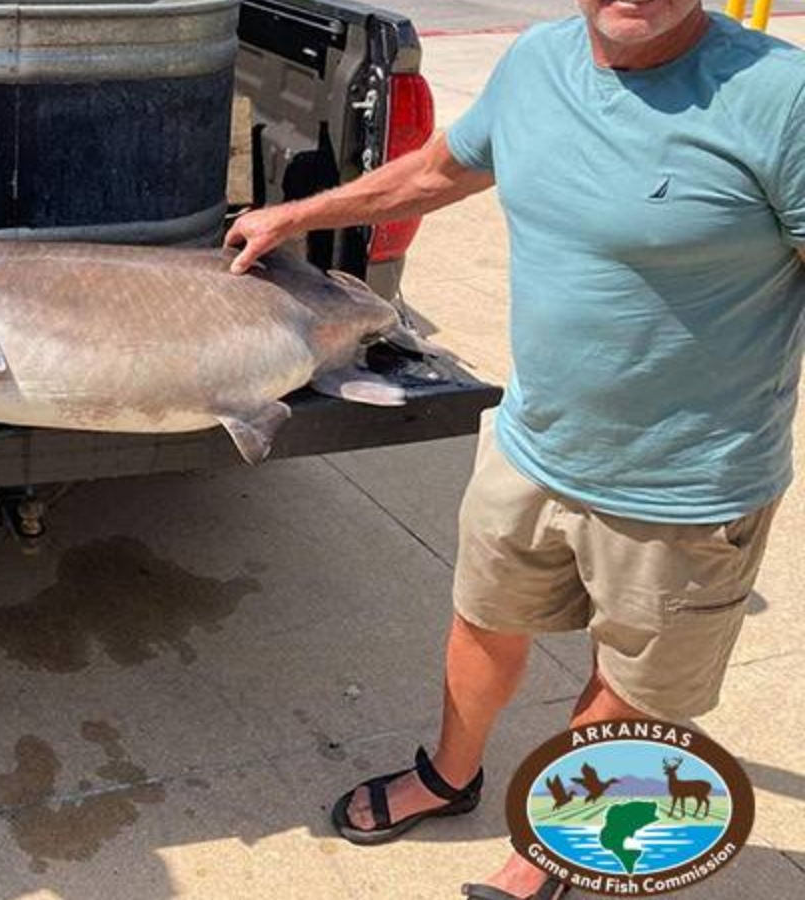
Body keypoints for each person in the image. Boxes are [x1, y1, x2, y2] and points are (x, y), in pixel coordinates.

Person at [226, 1, 803, 898]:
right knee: (483, 624)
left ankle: (557, 843)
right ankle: (450, 776)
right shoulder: (539, 63)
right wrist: (295, 216)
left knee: (635, 688)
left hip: (685, 482)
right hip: (534, 444)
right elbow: (440, 169)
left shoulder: (779, 97)